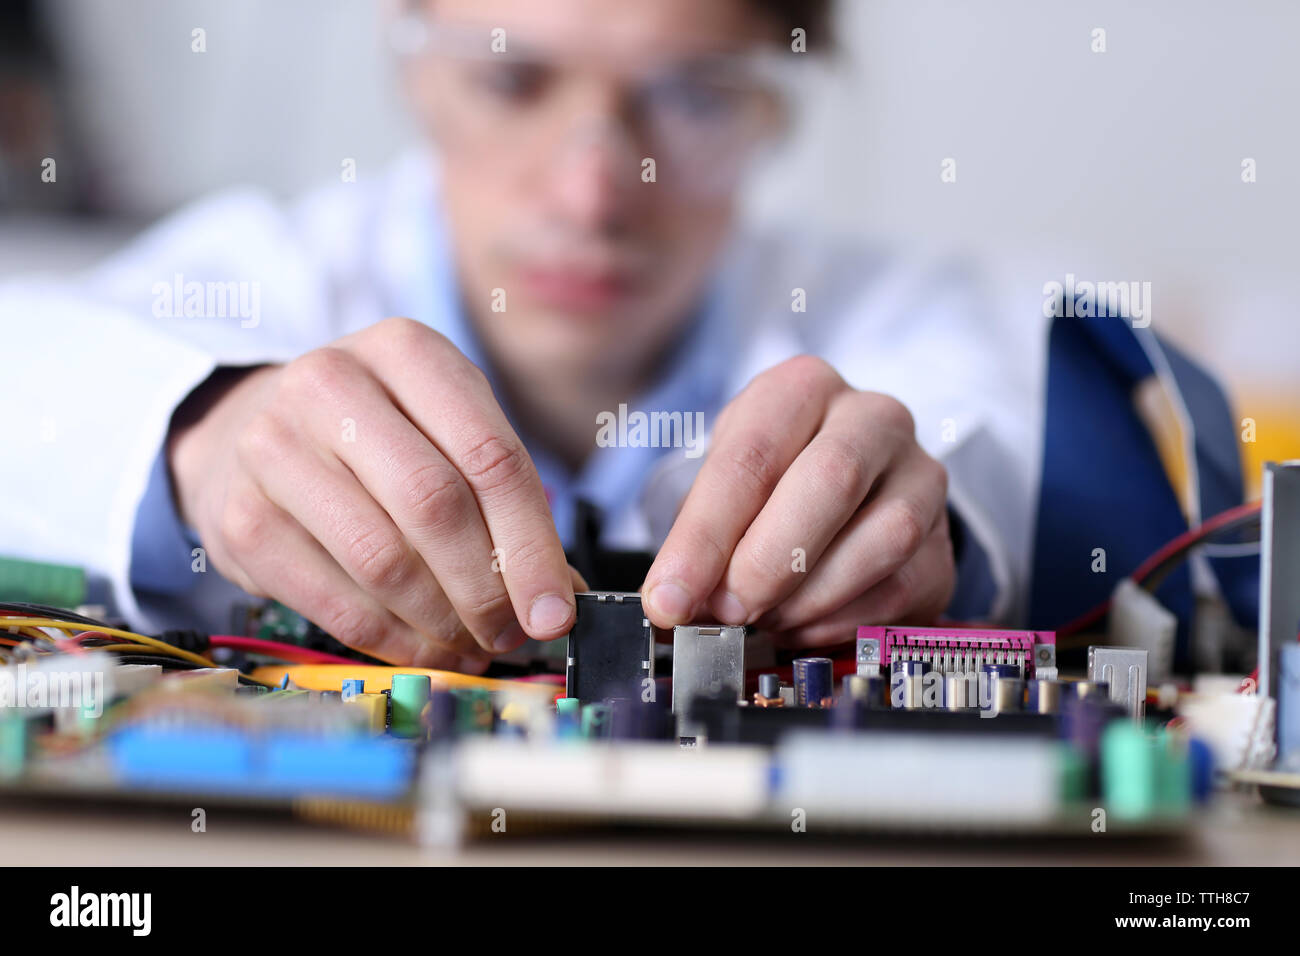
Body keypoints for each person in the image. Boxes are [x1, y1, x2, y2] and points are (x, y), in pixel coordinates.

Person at [1, 0, 1032, 672]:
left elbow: (1016, 436)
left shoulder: (894, 308)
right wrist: (201, 436)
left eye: (692, 96)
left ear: (778, 109)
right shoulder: (271, 272)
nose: (591, 194)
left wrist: (924, 521)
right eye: (509, 81)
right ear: (410, 65)